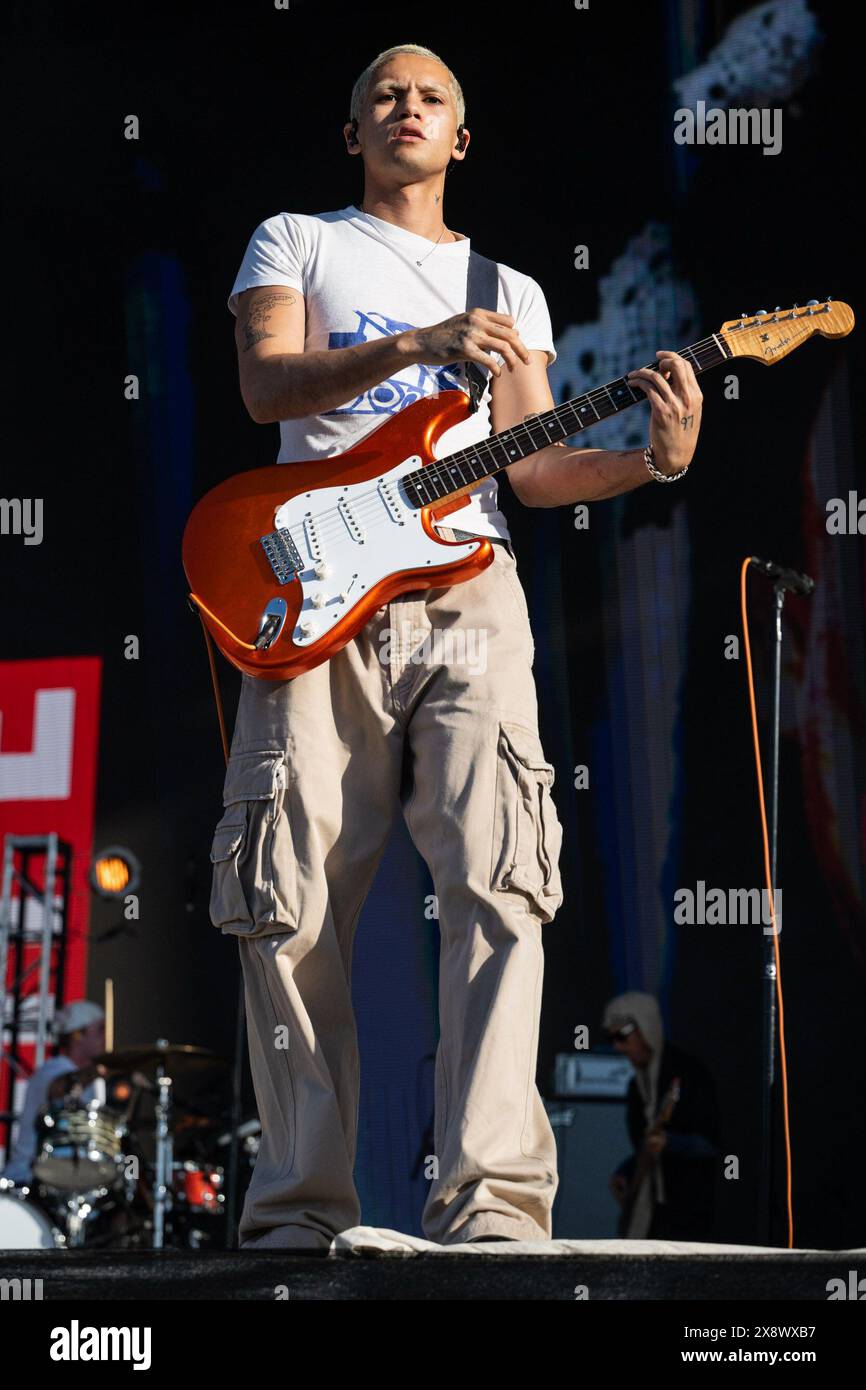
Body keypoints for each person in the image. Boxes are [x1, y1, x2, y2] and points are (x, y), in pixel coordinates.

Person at [215, 43, 704, 1250]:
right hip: (316, 588)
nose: (407, 108)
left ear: (461, 138)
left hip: (470, 588)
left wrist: (650, 458)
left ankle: (489, 1200)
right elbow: (267, 387)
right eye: (384, 94)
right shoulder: (296, 240)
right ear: (352, 131)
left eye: (431, 96)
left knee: (498, 879)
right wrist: (402, 350)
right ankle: (296, 1205)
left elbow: (530, 466)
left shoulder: (511, 289)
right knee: (291, 895)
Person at [604, 992, 721, 1240]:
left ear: (646, 1026)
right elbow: (644, 1145)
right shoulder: (636, 1088)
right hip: (653, 1213)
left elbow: (714, 1144)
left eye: (622, 1035)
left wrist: (671, 1143)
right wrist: (625, 1172)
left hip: (692, 1211)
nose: (617, 1046)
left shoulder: (688, 1074)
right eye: (611, 1038)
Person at [2, 1000, 106, 1186]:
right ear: (78, 1035)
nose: (105, 1037)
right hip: (29, 1179)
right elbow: (60, 1089)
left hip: (70, 1178)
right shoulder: (51, 1071)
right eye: (99, 1030)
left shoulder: (95, 1082)